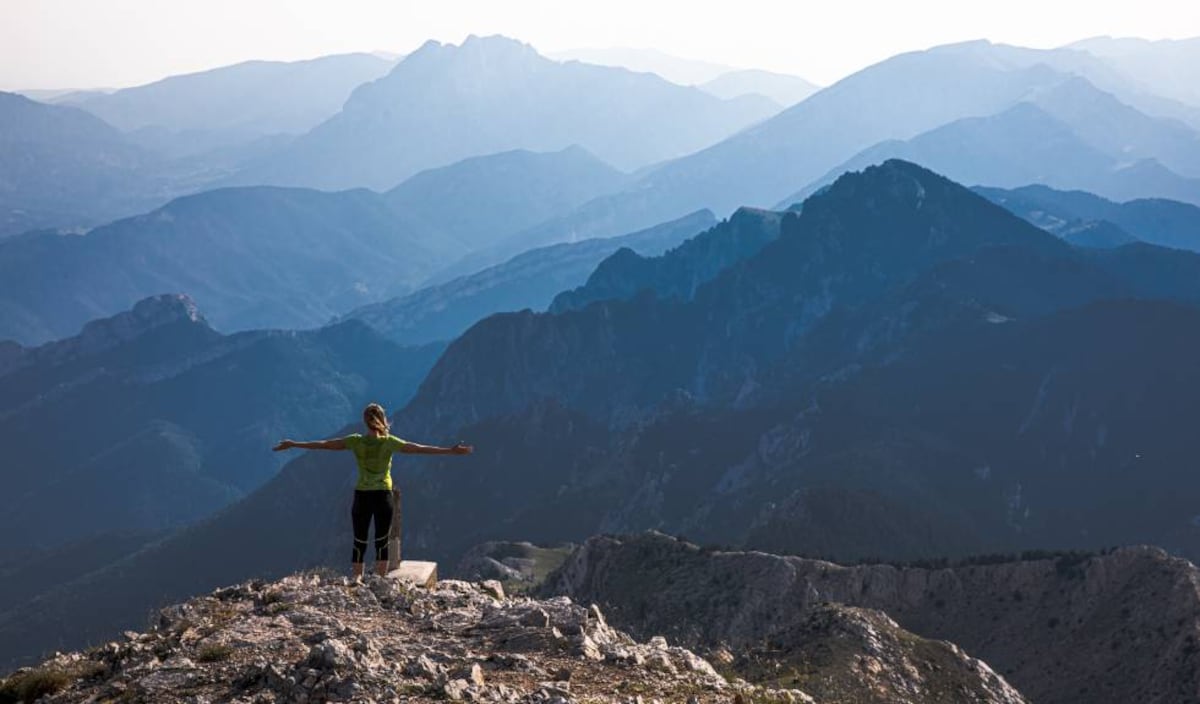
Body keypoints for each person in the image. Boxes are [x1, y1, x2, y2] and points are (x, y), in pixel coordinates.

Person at [273, 402, 472, 579]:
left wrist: (294, 444)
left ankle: (357, 580)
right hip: (383, 495)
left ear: (365, 421)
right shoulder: (389, 442)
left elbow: (325, 445)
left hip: (362, 495)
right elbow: (418, 448)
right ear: (383, 420)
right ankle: (380, 580)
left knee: (359, 539)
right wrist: (450, 451)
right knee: (381, 540)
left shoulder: (355, 441)